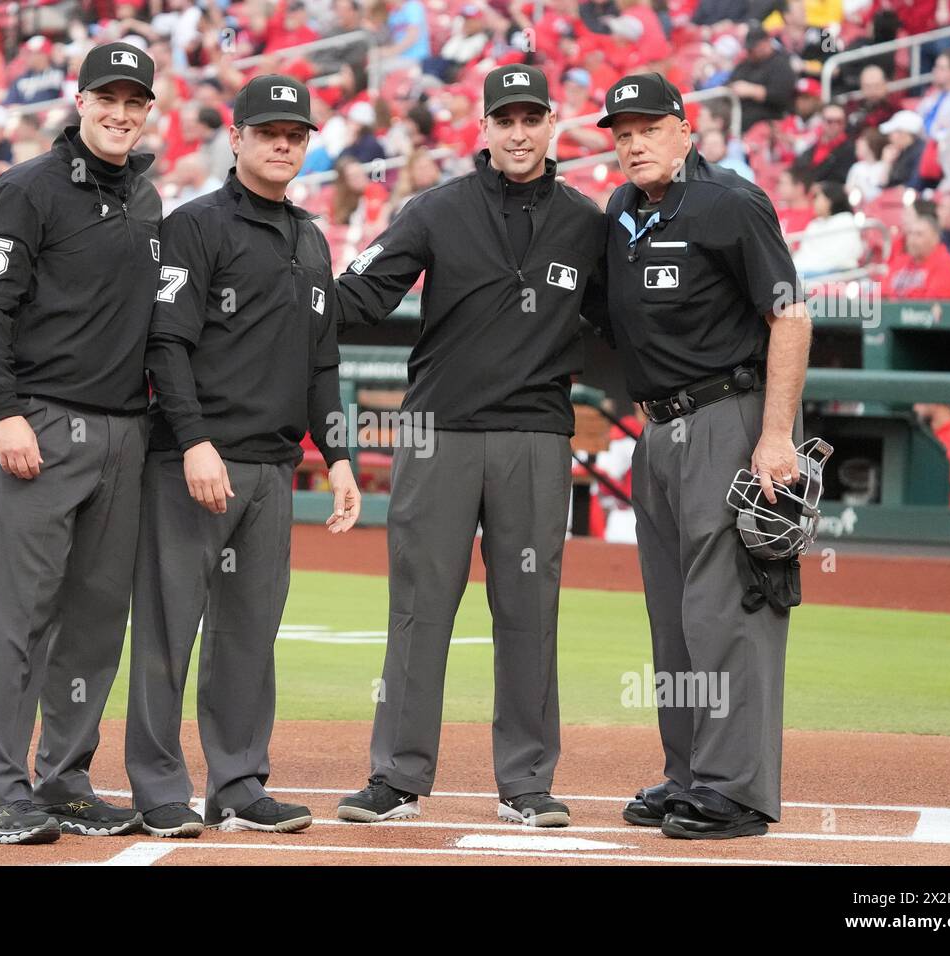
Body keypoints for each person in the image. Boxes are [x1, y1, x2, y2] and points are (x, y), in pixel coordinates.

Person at [332, 64, 608, 828]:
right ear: (482, 128)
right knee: (419, 609)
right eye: (504, 119)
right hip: (439, 432)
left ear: (553, 123)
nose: (518, 132)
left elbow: (627, 325)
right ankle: (396, 776)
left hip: (534, 436)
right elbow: (358, 296)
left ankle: (526, 781)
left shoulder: (588, 223)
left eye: (531, 118)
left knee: (529, 610)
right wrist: (284, 284)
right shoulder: (435, 209)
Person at [126, 74, 359, 838]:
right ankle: (160, 787)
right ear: (237, 138)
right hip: (194, 462)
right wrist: (192, 439)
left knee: (249, 636)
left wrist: (340, 455)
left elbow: (323, 363)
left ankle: (238, 782)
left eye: (295, 134)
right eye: (268, 133)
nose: (283, 143)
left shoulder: (311, 236)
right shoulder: (194, 226)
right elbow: (167, 342)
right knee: (169, 629)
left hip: (272, 468)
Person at [595, 72, 812, 839]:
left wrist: (776, 434)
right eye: (621, 132)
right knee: (676, 618)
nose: (632, 143)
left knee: (728, 610)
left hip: (729, 416)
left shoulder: (731, 203)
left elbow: (789, 315)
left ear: (687, 129)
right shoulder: (622, 211)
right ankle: (687, 773)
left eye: (648, 127)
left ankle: (736, 789)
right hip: (658, 433)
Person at [0, 41, 162, 845]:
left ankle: (66, 777)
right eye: (106, 98)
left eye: (134, 101)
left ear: (148, 110)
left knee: (95, 620)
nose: (119, 113)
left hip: (123, 433)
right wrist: (3, 408)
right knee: (21, 615)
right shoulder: (24, 189)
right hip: (37, 425)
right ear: (79, 101)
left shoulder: (147, 202)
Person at [884, 214, 950, 299]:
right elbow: (882, 291)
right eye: (910, 234)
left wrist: (897, 296)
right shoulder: (900, 261)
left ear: (935, 238)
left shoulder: (947, 265)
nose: (912, 239)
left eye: (919, 234)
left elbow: (930, 304)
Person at [791, 181, 863, 277]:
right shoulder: (814, 224)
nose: (814, 203)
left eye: (818, 198)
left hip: (832, 273)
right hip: (807, 271)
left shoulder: (845, 221)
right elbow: (805, 253)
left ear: (830, 201)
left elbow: (844, 256)